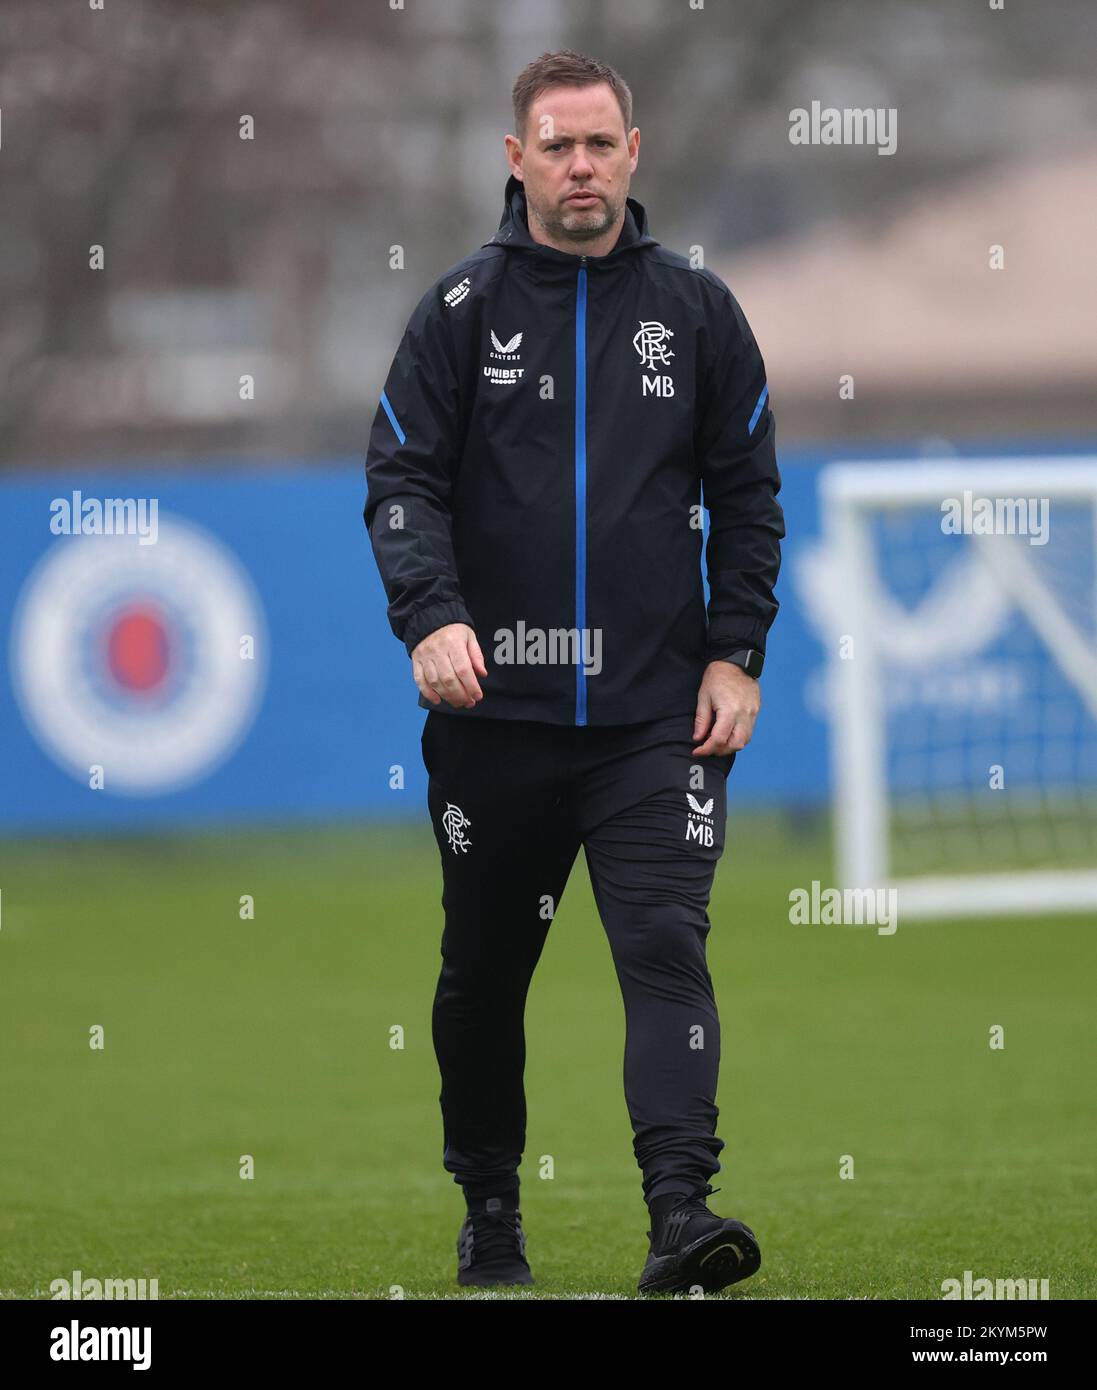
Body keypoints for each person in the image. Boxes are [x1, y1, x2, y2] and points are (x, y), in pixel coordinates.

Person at [364, 48, 784, 1295]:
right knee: (483, 973)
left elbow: (748, 495)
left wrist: (736, 652)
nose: (580, 165)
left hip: (658, 721)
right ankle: (490, 1211)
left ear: (633, 152)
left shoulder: (700, 313)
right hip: (496, 722)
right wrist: (429, 618)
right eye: (556, 145)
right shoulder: (456, 314)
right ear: (516, 160)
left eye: (600, 143)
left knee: (664, 947)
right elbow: (399, 485)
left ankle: (679, 1215)